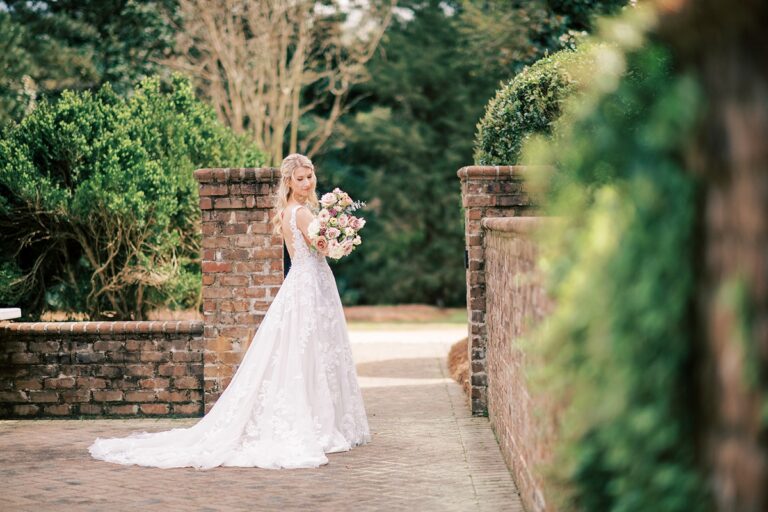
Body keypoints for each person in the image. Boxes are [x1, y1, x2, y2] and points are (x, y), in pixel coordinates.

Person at [89, 154, 371, 469]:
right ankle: (317, 422)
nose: (307, 183)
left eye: (310, 176)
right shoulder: (303, 213)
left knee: (306, 351)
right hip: (309, 284)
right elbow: (322, 248)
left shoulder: (289, 211)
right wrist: (339, 241)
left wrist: (336, 234)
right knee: (310, 350)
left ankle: (317, 415)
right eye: (301, 178)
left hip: (304, 283)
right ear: (288, 181)